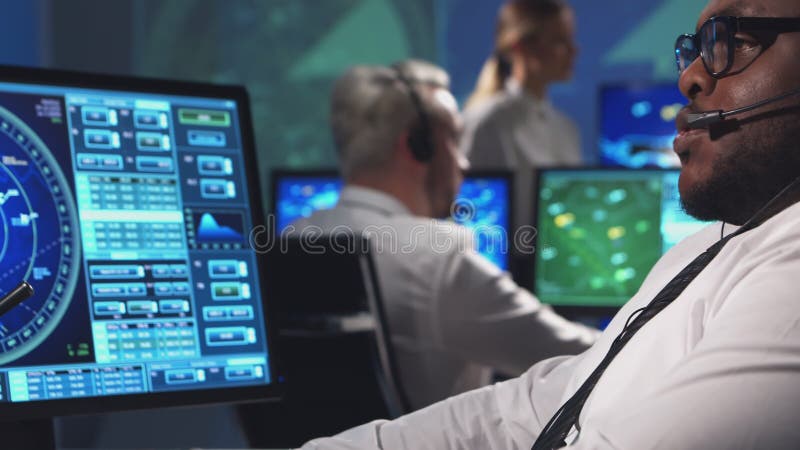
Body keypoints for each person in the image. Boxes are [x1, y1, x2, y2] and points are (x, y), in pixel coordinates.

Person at [301, 0, 800, 447]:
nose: (688, 77)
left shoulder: (290, 242)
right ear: (422, 148)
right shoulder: (696, 252)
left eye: (736, 40)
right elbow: (550, 392)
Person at [290, 59, 599, 411]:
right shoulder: (438, 258)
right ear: (417, 146)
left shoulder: (292, 240)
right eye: (453, 138)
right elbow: (583, 355)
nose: (464, 163)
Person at [460, 0, 582, 235]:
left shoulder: (566, 128)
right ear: (521, 47)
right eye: (559, 41)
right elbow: (471, 211)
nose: (573, 50)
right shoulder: (485, 123)